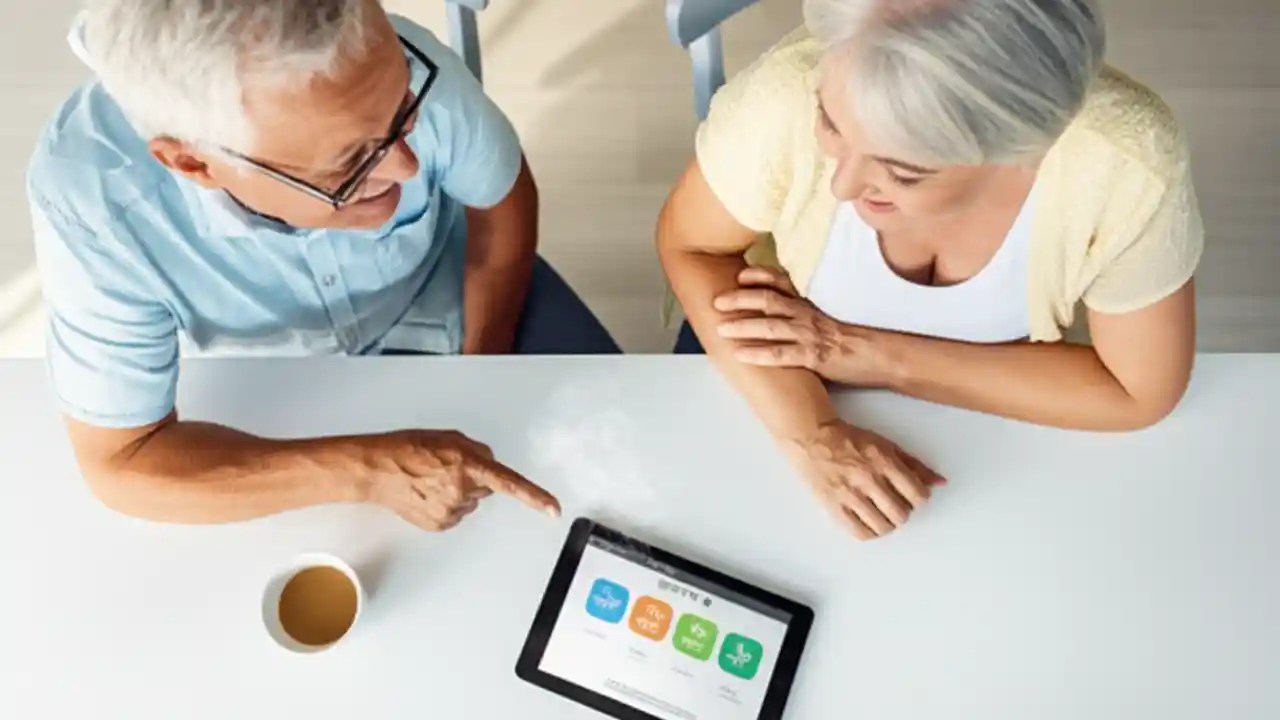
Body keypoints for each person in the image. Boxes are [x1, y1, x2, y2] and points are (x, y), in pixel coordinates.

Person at [28, 0, 620, 532]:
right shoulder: (92, 204)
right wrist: (367, 471)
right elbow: (122, 461)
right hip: (279, 390)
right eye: (351, 162)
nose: (408, 168)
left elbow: (500, 201)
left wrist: (481, 372)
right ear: (194, 164)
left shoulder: (391, 63)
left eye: (403, 113)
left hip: (458, 294)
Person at [657, 0, 1203, 540]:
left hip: (991, 449)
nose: (842, 185)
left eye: (903, 172)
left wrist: (863, 353)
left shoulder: (1126, 164)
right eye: (831, 124)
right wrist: (812, 431)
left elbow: (1137, 391)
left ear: (1026, 149)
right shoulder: (788, 94)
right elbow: (694, 247)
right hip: (771, 380)